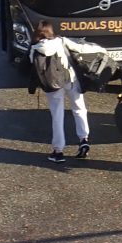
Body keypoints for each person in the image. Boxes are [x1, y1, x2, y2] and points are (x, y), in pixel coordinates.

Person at [29, 21, 92, 162]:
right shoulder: (61, 41)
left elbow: (32, 65)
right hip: (71, 79)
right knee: (79, 109)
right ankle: (84, 139)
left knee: (57, 115)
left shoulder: (35, 47)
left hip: (52, 84)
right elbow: (81, 48)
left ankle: (58, 151)